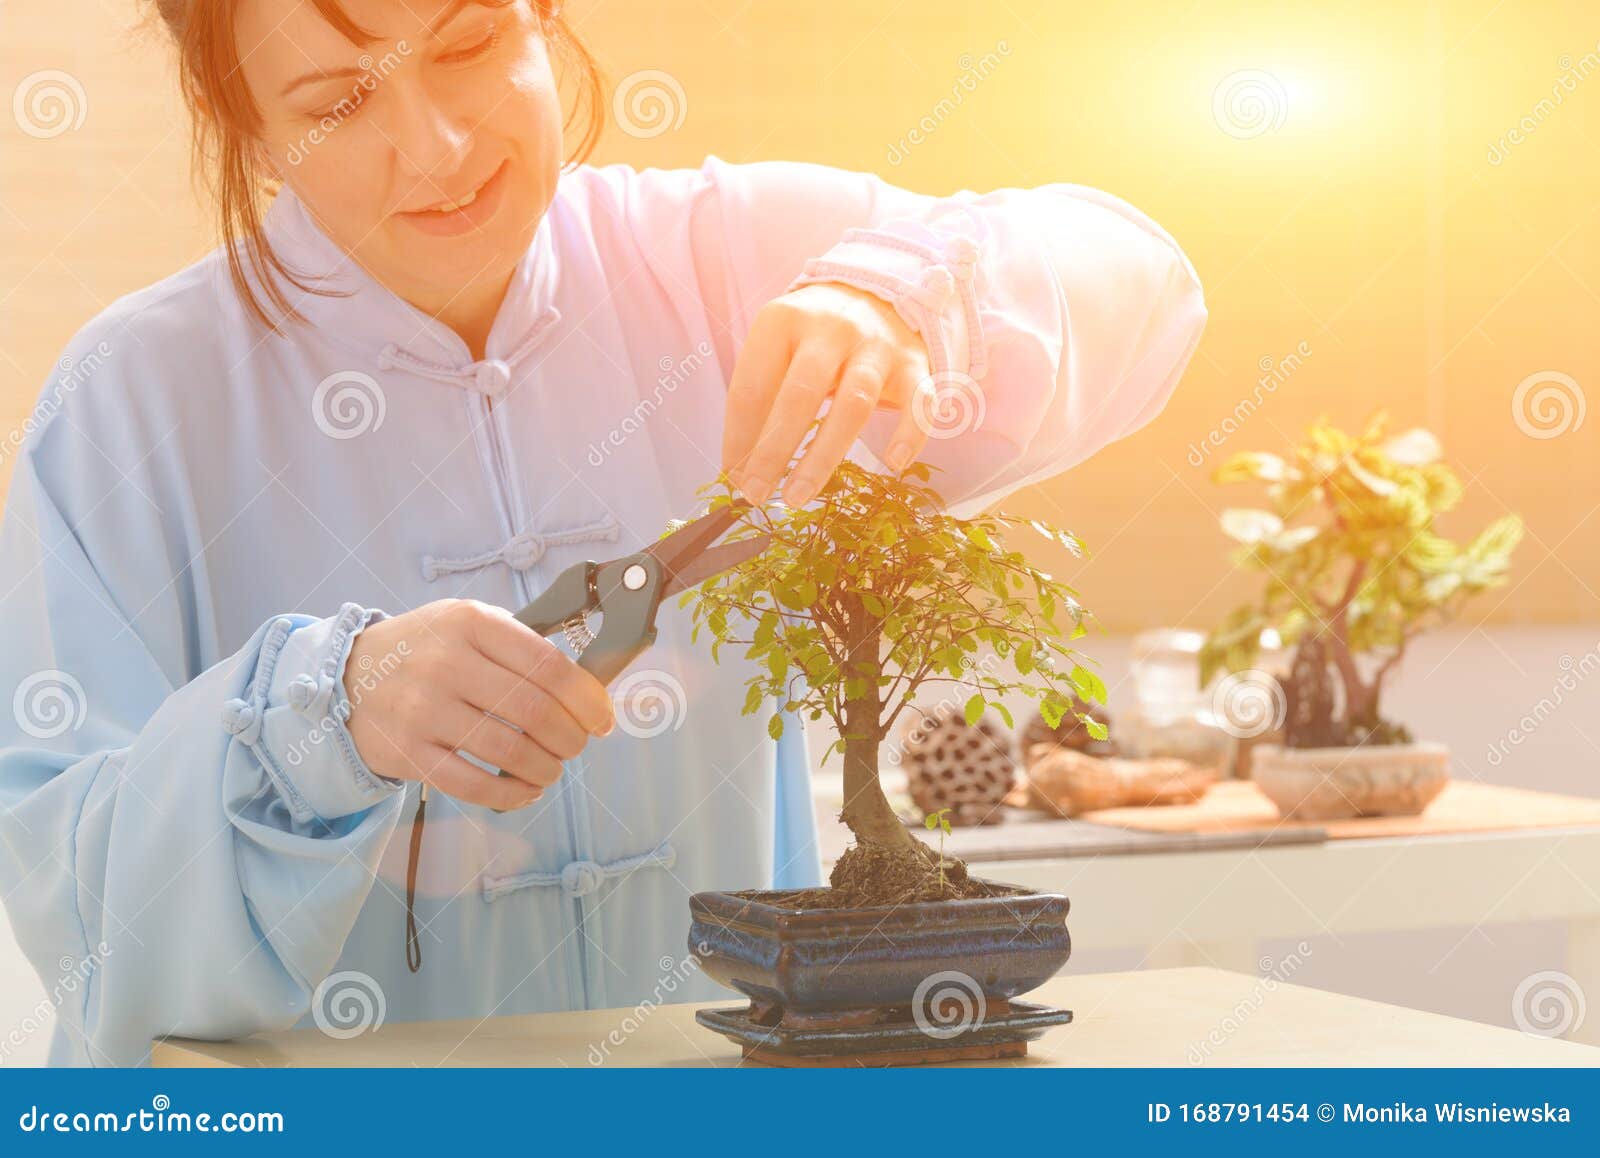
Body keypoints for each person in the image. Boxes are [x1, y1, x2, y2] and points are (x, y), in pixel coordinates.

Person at [0, 0, 1206, 1065]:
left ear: (545, 18)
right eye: (339, 100)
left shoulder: (720, 257)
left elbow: (1141, 286)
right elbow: (91, 928)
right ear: (250, 126)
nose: (438, 146)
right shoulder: (133, 400)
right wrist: (328, 713)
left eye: (470, 41)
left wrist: (892, 292)